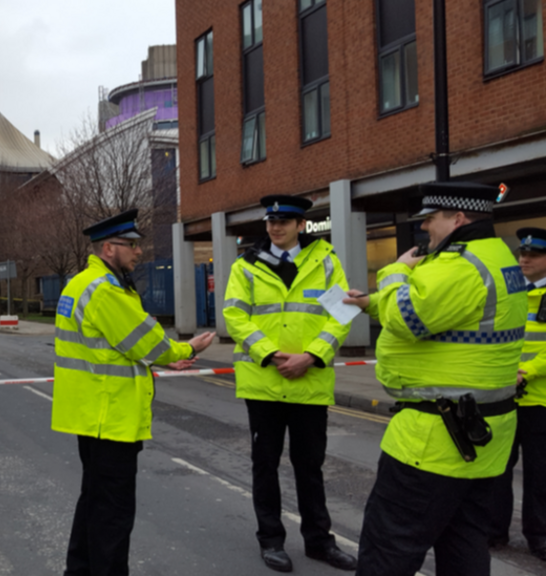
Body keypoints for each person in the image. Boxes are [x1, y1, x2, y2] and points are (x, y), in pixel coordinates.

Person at [344, 182, 525, 576]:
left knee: (389, 547)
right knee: (464, 542)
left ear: (457, 218)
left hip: (436, 436)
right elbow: (446, 312)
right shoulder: (496, 257)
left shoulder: (461, 265)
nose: (424, 227)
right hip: (483, 431)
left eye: (430, 219)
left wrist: (395, 270)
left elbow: (409, 318)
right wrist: (370, 303)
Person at [52, 208, 215, 576]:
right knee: (113, 513)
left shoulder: (79, 284)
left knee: (93, 501)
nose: (139, 251)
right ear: (109, 248)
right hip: (111, 416)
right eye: (132, 244)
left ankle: (79, 570)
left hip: (90, 414)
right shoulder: (106, 291)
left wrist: (160, 357)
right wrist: (188, 348)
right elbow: (147, 342)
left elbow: (114, 346)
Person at [223, 194, 356, 573]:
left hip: (309, 382)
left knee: (310, 467)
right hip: (263, 382)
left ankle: (319, 542)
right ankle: (271, 541)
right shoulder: (245, 266)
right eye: (271, 221)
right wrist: (269, 353)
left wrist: (311, 356)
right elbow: (235, 316)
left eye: (284, 221)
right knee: (264, 466)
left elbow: (341, 315)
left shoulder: (326, 262)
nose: (275, 227)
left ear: (301, 225)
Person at [488, 227, 546, 562]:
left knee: (541, 474)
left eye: (533, 255)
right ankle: (494, 530)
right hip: (504, 397)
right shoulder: (510, 293)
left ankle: (540, 536)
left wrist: (528, 371)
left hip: (540, 400)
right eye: (522, 254)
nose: (524, 259)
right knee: (497, 469)